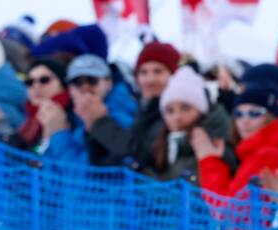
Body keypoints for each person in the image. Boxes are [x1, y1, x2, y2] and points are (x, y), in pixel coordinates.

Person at [193, 82, 278, 198]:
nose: (245, 120)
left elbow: (226, 211)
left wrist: (209, 161)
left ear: (271, 117)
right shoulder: (257, 151)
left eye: (255, 113)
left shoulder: (267, 154)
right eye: (239, 114)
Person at [86, 41, 181, 170]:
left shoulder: (177, 110)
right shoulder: (145, 108)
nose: (150, 79)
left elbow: (137, 152)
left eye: (158, 71)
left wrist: (99, 121)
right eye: (143, 72)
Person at [42, 55, 136, 165]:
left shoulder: (120, 117)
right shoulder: (72, 116)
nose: (85, 87)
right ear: (70, 89)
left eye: (92, 80)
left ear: (108, 83)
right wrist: (48, 138)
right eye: (77, 82)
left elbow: (82, 172)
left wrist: (59, 135)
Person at [145, 67, 233, 182]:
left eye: (185, 108)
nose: (177, 117)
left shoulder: (215, 144)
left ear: (201, 111)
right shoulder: (159, 142)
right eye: (170, 110)